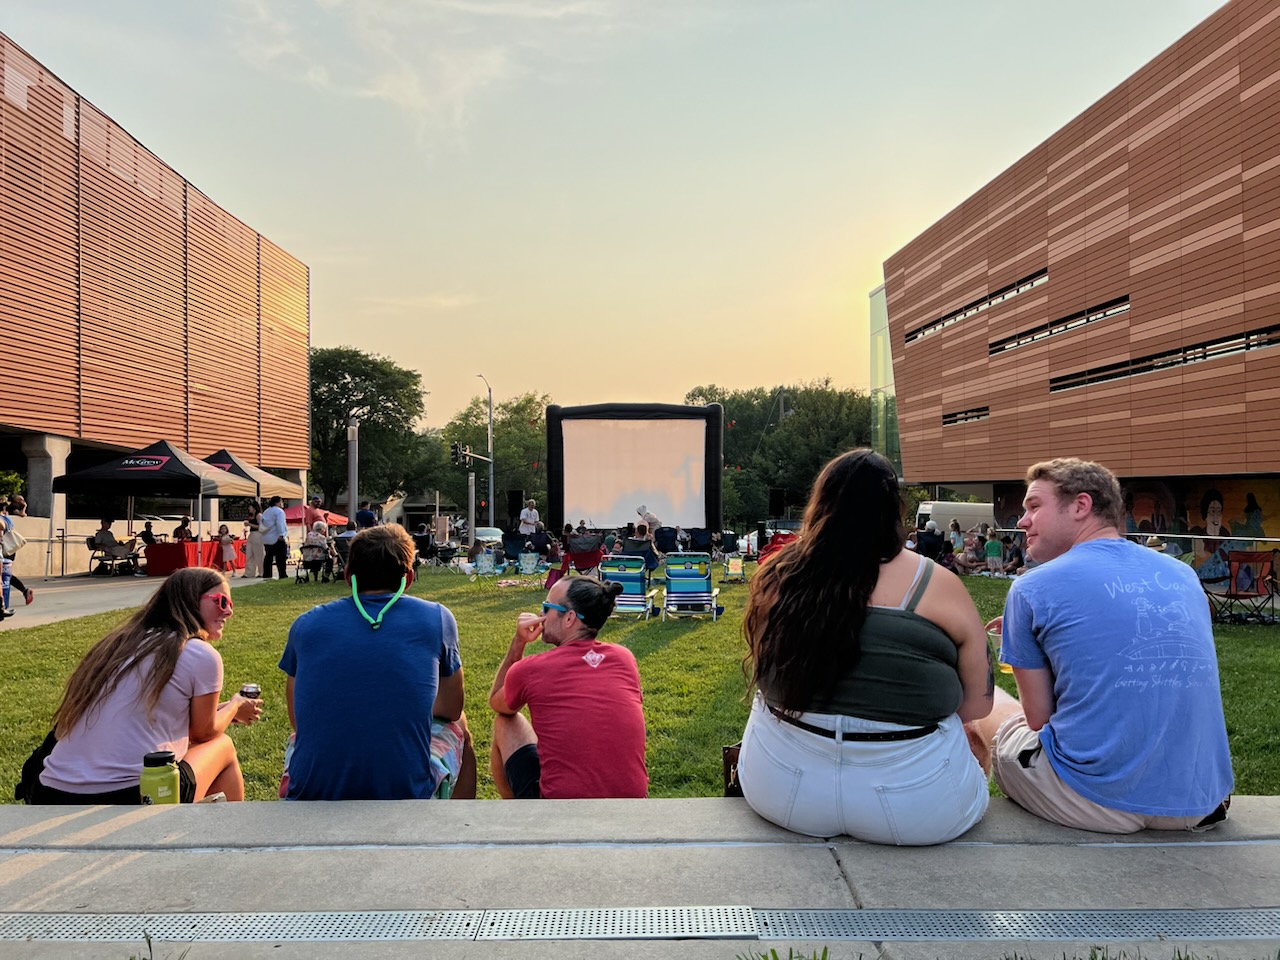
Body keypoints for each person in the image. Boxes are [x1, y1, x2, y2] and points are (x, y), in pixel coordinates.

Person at [737, 449, 992, 845]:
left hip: (782, 791)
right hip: (920, 806)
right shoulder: (939, 584)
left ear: (820, 504)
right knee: (973, 732)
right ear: (894, 509)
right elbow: (978, 705)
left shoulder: (778, 576)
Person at [966, 458, 1234, 834]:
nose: (1022, 521)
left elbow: (1039, 720)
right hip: (1200, 801)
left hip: (1094, 799)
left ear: (1081, 506)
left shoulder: (1030, 588)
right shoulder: (1184, 575)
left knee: (987, 705)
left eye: (1034, 506)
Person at [278, 525, 476, 800]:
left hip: (311, 793)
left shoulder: (306, 625)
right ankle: (457, 829)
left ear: (348, 576)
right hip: (404, 792)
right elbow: (452, 709)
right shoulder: (437, 618)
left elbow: (297, 721)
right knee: (462, 726)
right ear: (408, 578)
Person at [31, 568, 261, 803]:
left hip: (49, 791)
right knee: (222, 745)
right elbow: (203, 732)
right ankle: (231, 836)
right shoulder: (199, 653)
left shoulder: (118, 644)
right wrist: (235, 705)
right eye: (221, 602)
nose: (229, 611)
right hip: (134, 794)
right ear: (191, 601)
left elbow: (156, 715)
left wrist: (227, 710)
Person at [489, 576, 648, 799]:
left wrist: (518, 643)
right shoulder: (625, 658)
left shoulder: (531, 669)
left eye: (546, 608)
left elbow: (498, 702)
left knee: (505, 722)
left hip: (560, 814)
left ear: (569, 618)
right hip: (631, 806)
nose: (541, 616)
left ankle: (518, 819)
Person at [260, 496, 289, 580]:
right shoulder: (279, 511)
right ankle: (282, 574)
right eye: (281, 501)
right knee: (280, 557)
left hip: (267, 537)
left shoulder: (266, 511)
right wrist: (282, 534)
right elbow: (280, 523)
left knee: (268, 556)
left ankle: (267, 574)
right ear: (278, 502)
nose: (282, 504)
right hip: (276, 537)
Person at [243, 500, 265, 578]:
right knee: (249, 554)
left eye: (250, 507)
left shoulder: (259, 515)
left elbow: (261, 527)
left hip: (258, 534)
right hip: (251, 534)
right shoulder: (251, 516)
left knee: (259, 554)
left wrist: (249, 524)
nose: (249, 508)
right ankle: (249, 572)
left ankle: (261, 572)